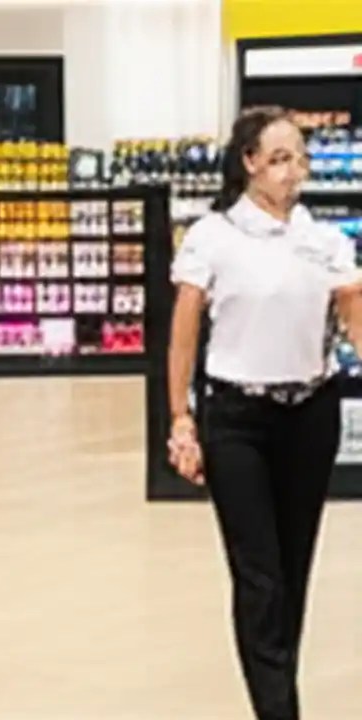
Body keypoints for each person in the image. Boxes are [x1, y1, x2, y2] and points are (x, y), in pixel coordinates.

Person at [167, 105, 362, 720]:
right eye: (278, 159)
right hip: (236, 421)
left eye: (298, 159)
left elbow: (355, 322)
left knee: (294, 567)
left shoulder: (325, 240)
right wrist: (181, 419)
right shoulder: (212, 237)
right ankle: (279, 710)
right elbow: (183, 337)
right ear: (249, 162)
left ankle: (279, 687)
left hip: (310, 414)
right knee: (259, 575)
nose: (291, 172)